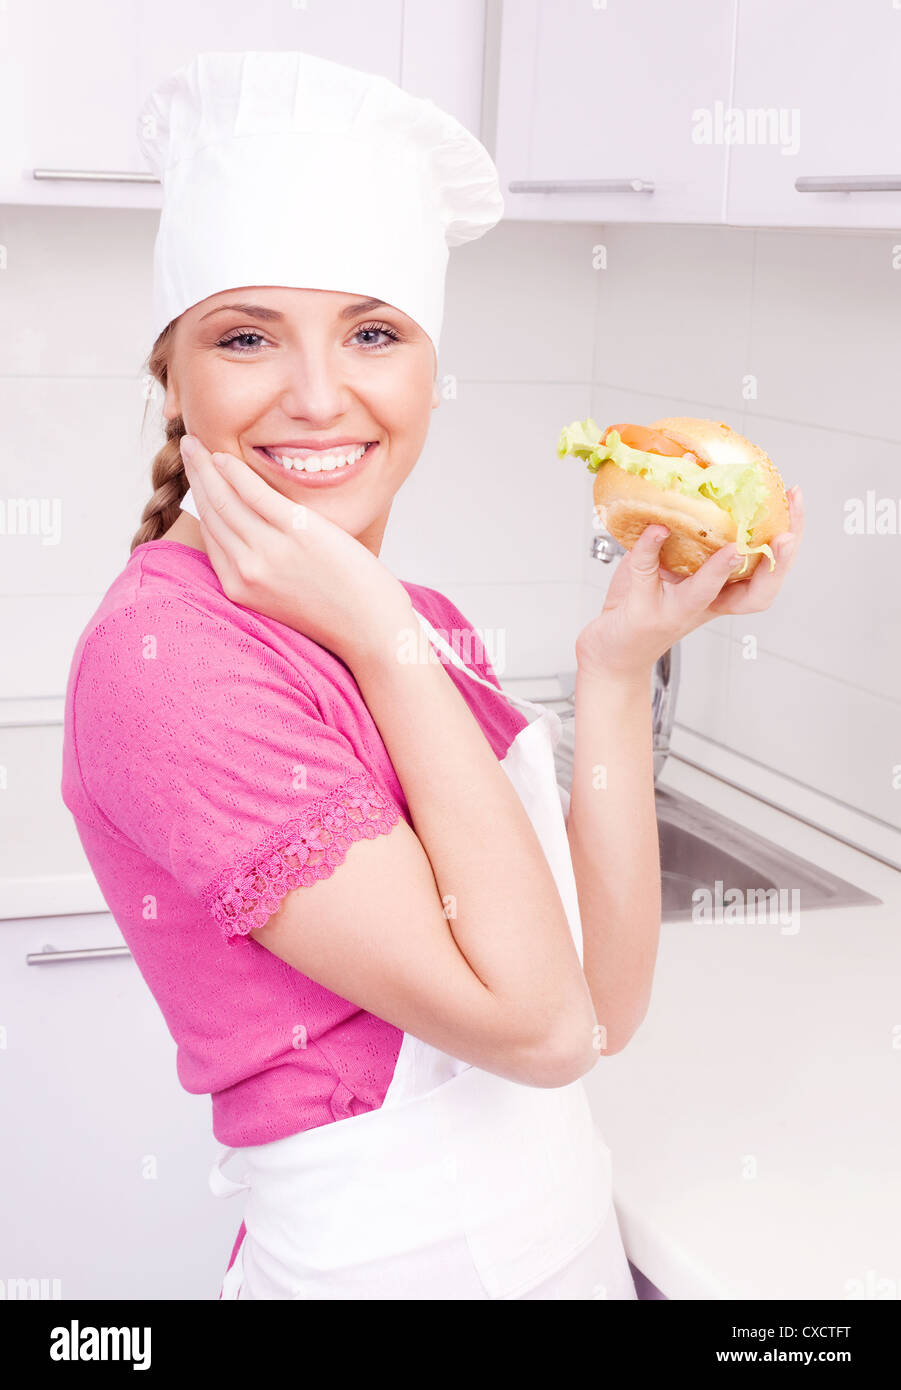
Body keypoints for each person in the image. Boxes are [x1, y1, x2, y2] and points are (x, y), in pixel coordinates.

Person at [61, 50, 803, 1301]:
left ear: (425, 369)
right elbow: (541, 1033)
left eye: (372, 332)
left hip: (560, 1259)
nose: (316, 394)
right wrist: (380, 639)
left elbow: (597, 1008)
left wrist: (615, 667)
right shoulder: (167, 663)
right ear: (173, 376)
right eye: (246, 335)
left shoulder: (419, 624)